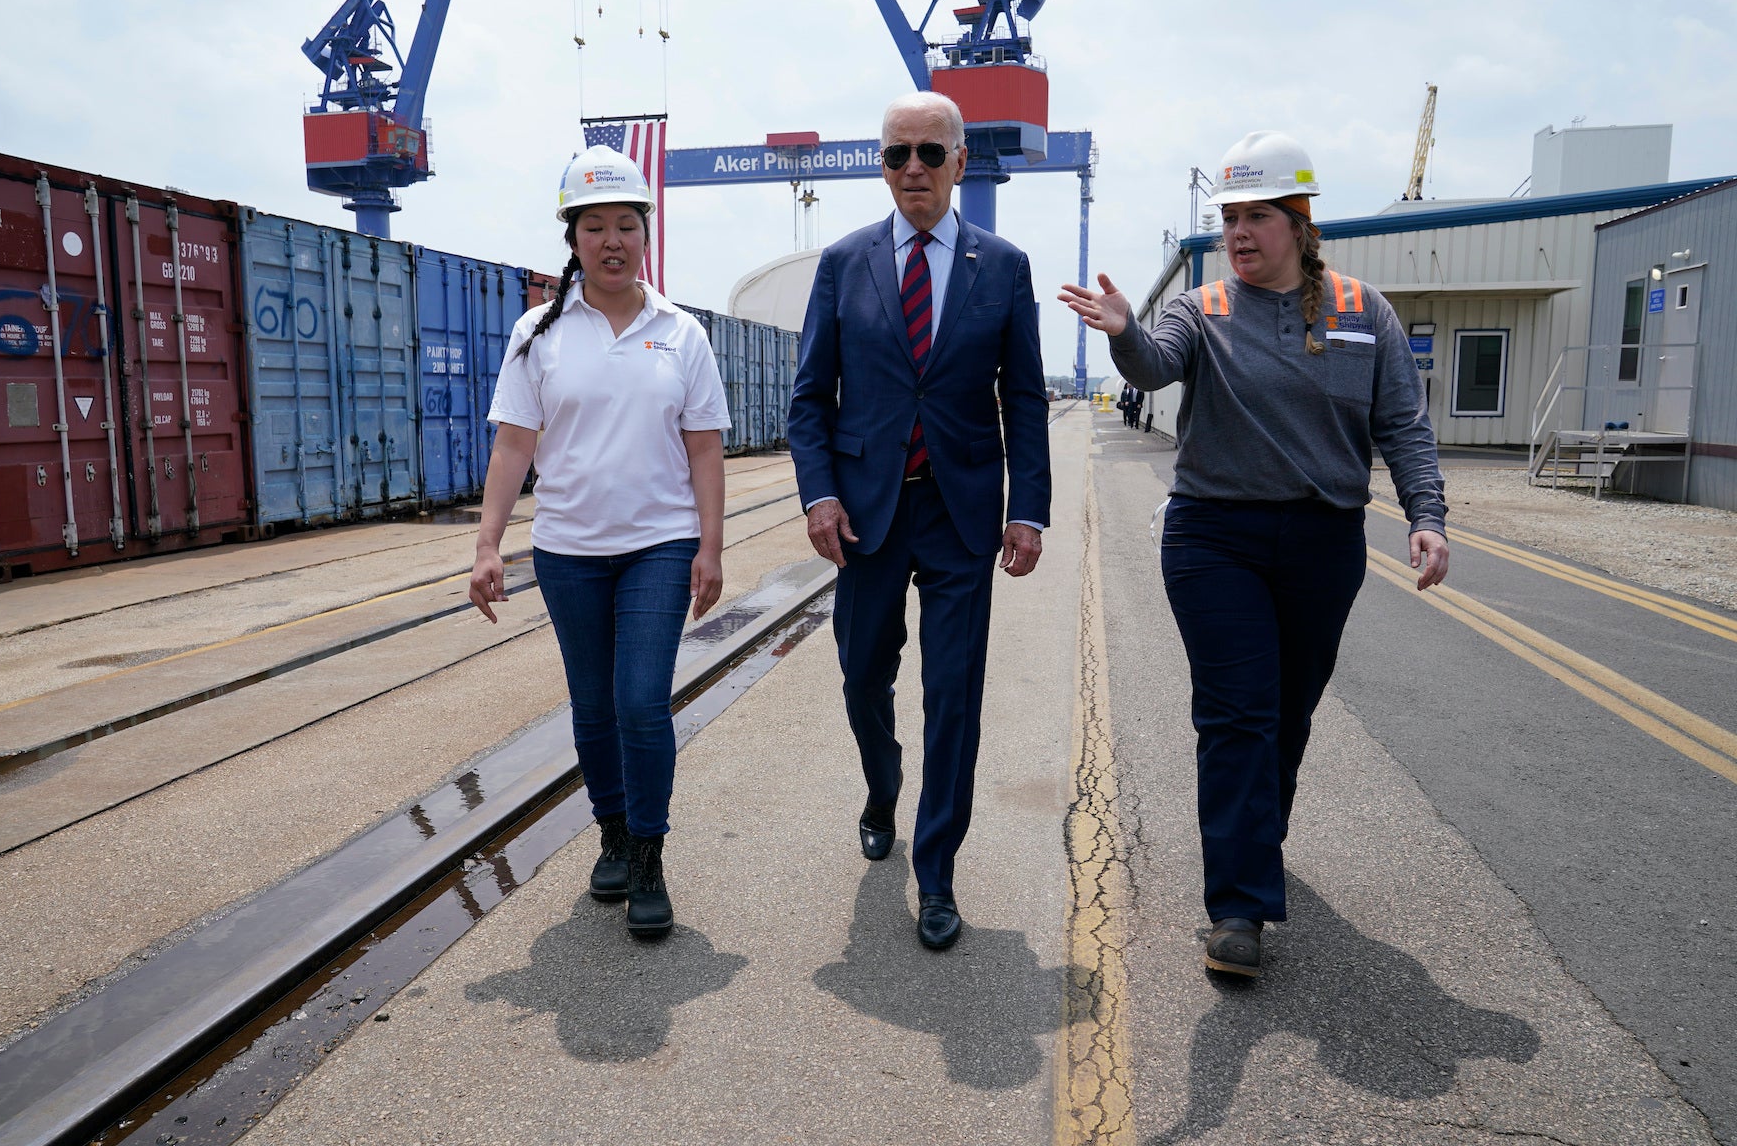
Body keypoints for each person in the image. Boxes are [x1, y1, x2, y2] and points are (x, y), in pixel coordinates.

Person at [1058, 130, 1449, 978]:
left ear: (1302, 223)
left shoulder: (1361, 311)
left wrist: (1428, 514)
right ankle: (1237, 908)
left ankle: (1254, 837)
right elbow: (1157, 366)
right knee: (1236, 712)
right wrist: (1124, 332)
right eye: (1230, 217)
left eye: (1257, 215)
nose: (1239, 232)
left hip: (1322, 542)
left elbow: (1403, 426)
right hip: (1214, 536)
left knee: (1288, 713)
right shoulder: (1202, 309)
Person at [788, 91, 1052, 950]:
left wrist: (1030, 510)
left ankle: (936, 874)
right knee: (865, 676)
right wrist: (818, 494)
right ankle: (882, 781)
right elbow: (808, 399)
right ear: (882, 163)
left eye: (930, 154)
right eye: (898, 154)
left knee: (955, 698)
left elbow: (1023, 398)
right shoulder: (843, 262)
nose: (913, 170)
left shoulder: (1003, 267)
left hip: (960, 511)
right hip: (865, 514)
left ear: (961, 162)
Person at [470, 144, 731, 940]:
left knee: (640, 702)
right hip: (568, 553)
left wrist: (711, 548)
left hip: (658, 544)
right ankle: (612, 834)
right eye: (594, 227)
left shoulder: (681, 333)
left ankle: (648, 854)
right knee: (591, 705)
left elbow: (705, 449)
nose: (611, 240)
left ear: (645, 235)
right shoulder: (536, 333)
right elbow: (514, 445)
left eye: (626, 225)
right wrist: (488, 547)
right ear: (572, 239)